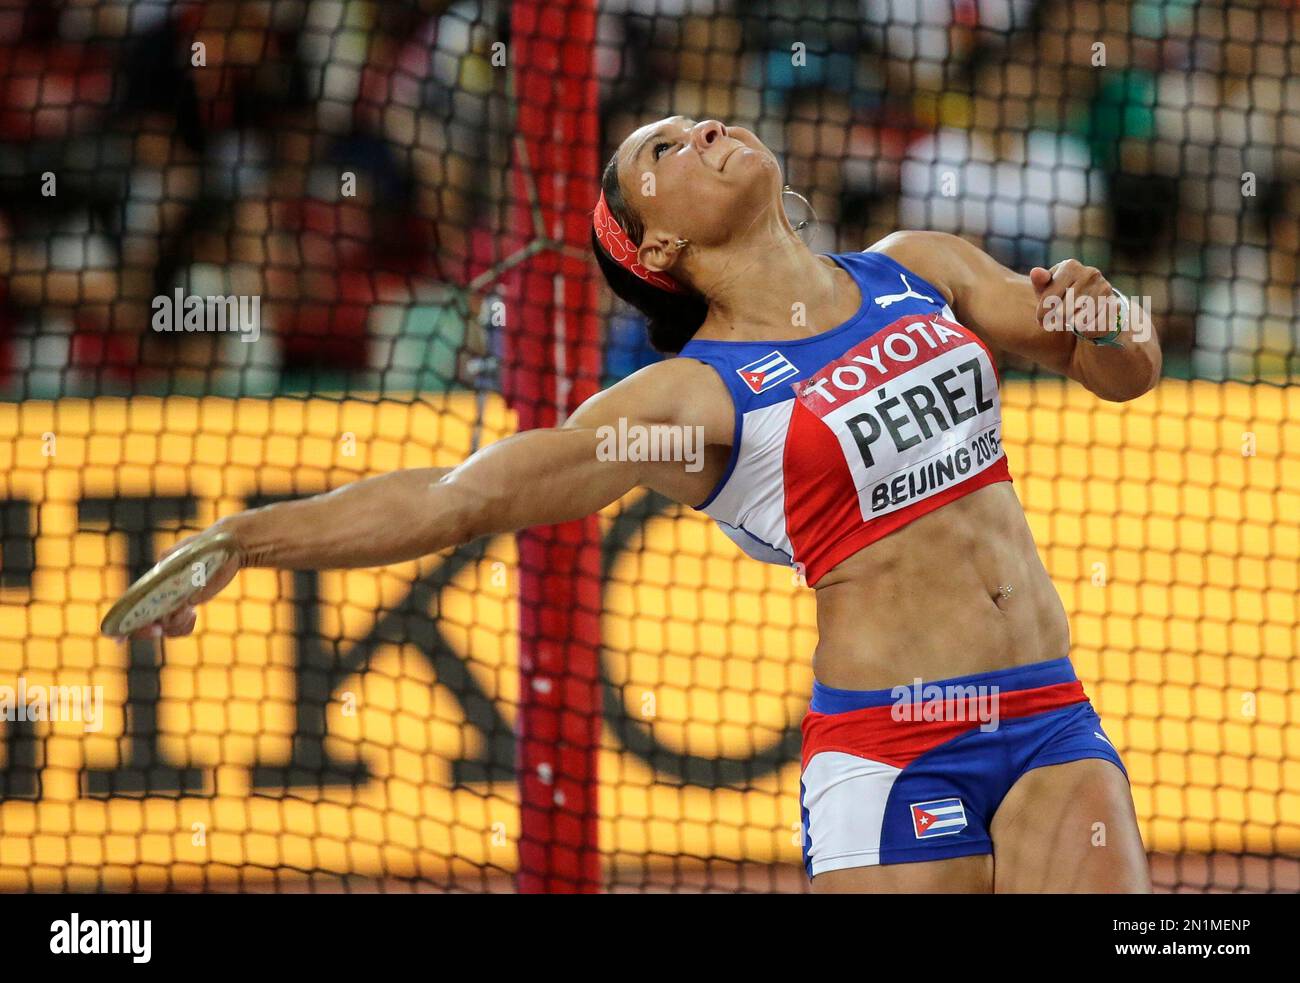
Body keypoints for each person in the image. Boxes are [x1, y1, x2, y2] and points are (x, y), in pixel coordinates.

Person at [122, 116, 1161, 893]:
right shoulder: (690, 400)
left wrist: (1106, 314)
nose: (700, 130)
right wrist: (245, 539)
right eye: (661, 152)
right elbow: (462, 495)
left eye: (696, 123)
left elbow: (1122, 369)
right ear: (655, 249)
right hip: (891, 749)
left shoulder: (917, 270)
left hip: (1044, 714)